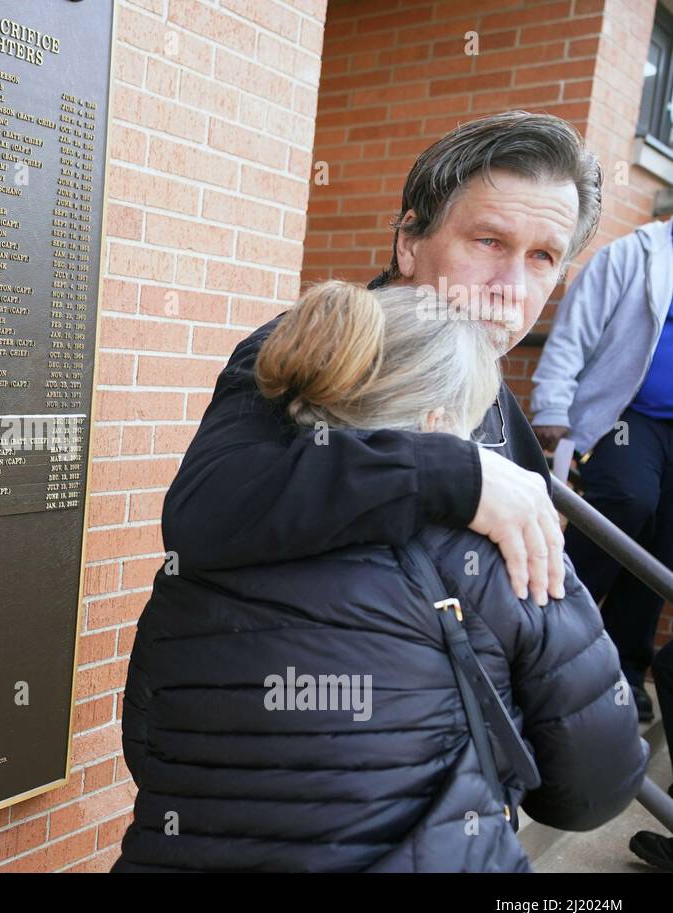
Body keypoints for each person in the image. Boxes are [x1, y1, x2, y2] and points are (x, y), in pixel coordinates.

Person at [111, 281, 648, 872]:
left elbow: (146, 742)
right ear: (440, 422)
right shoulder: (505, 553)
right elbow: (599, 784)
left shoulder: (209, 552)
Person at [160, 111, 599, 613]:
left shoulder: (486, 382)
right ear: (409, 241)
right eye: (488, 242)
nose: (512, 290)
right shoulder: (317, 348)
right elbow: (203, 515)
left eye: (542, 256)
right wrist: (451, 475)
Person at [530, 218, 673, 870]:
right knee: (625, 503)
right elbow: (574, 334)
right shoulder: (632, 256)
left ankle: (623, 666)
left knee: (663, 550)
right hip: (624, 418)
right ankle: (558, 616)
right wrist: (552, 409)